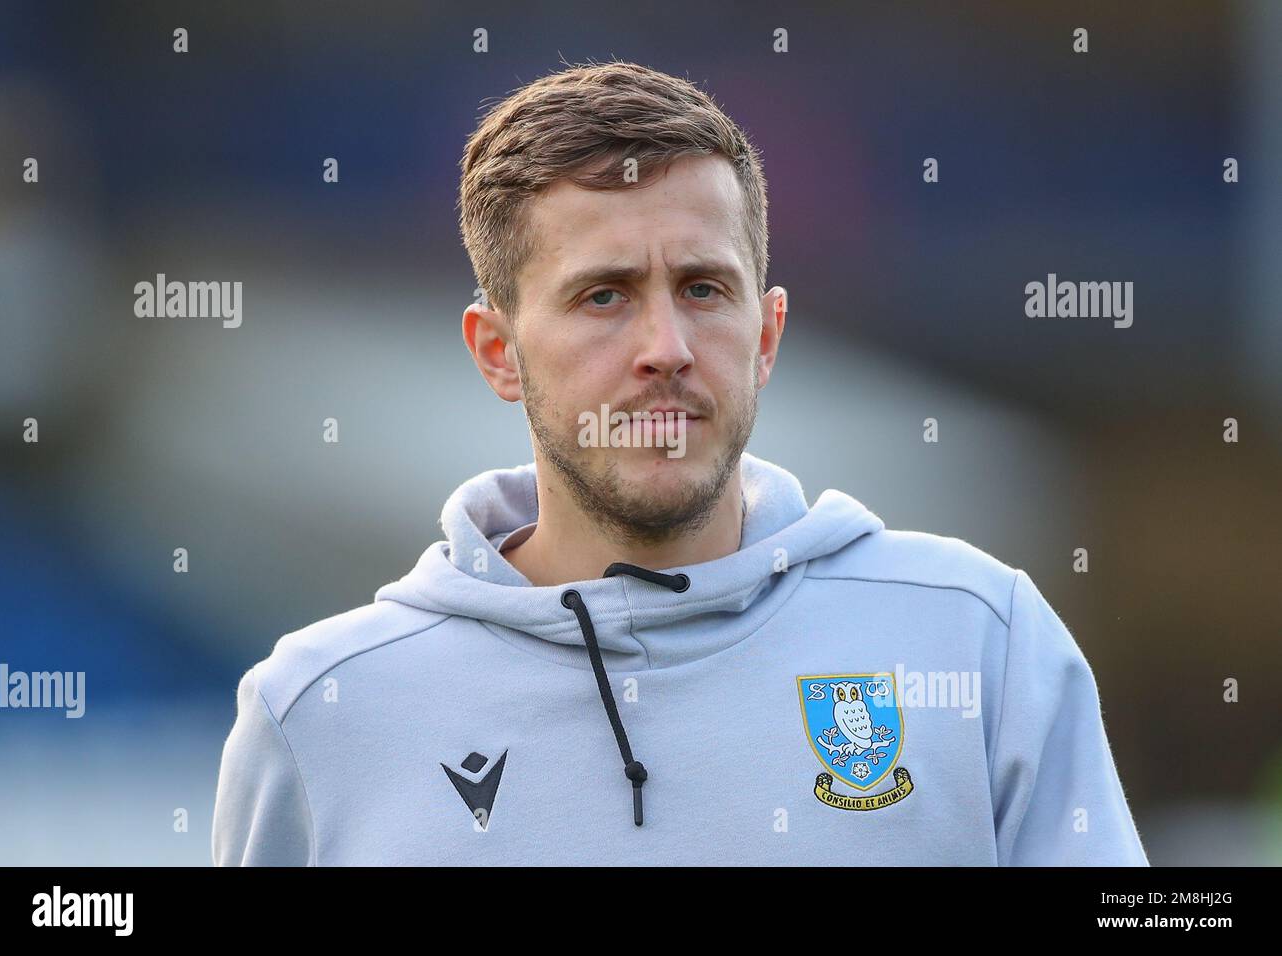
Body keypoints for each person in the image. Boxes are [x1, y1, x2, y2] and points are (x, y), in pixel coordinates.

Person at [212, 60, 1148, 866]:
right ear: (498, 352)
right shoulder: (322, 711)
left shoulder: (977, 641)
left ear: (768, 335)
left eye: (703, 289)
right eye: (604, 295)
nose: (666, 345)